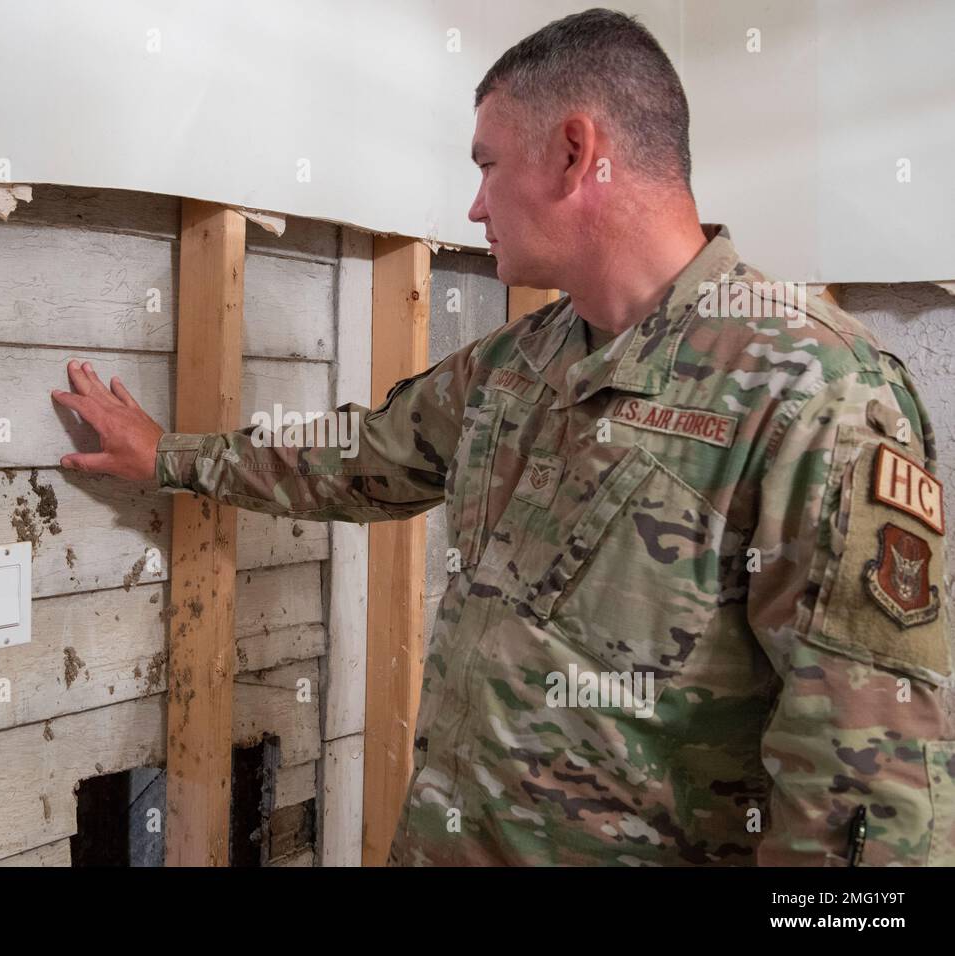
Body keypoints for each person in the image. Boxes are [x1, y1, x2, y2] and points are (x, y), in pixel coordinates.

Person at [51, 8, 953, 865]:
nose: (475, 208)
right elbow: (359, 459)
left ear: (573, 154)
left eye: (486, 165)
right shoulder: (520, 363)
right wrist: (167, 457)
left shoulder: (816, 390)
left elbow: (870, 792)